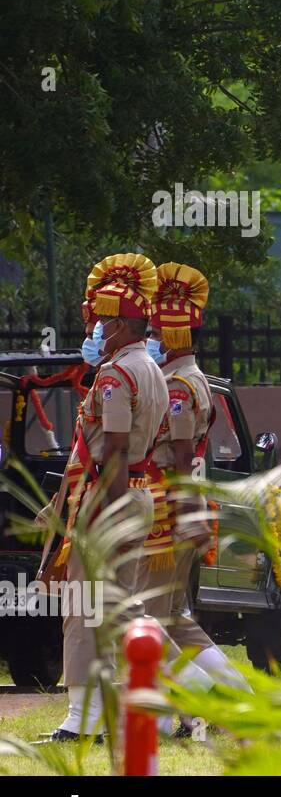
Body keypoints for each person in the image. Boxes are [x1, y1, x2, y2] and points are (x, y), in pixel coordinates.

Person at [44, 254, 168, 741]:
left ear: (117, 324)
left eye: (98, 321)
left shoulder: (117, 374)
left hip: (110, 498)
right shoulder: (151, 368)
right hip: (133, 492)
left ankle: (82, 716)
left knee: (85, 604)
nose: (93, 329)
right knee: (115, 607)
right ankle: (177, 692)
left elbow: (114, 448)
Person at [145, 262, 251, 698]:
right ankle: (238, 694)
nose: (148, 337)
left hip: (170, 510)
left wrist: (186, 517)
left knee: (146, 619)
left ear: (170, 335)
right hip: (177, 509)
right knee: (172, 618)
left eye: (153, 330)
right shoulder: (183, 379)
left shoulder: (179, 387)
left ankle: (205, 703)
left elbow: (184, 455)